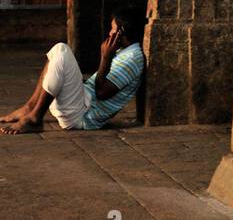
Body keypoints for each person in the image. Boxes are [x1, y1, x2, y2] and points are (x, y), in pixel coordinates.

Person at [0, 7, 145, 135]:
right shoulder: (124, 52)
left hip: (82, 116)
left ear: (120, 33)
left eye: (112, 28)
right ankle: (30, 107)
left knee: (62, 51)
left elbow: (101, 93)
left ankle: (35, 118)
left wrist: (105, 58)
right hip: (80, 104)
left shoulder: (133, 58)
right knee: (58, 51)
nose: (109, 33)